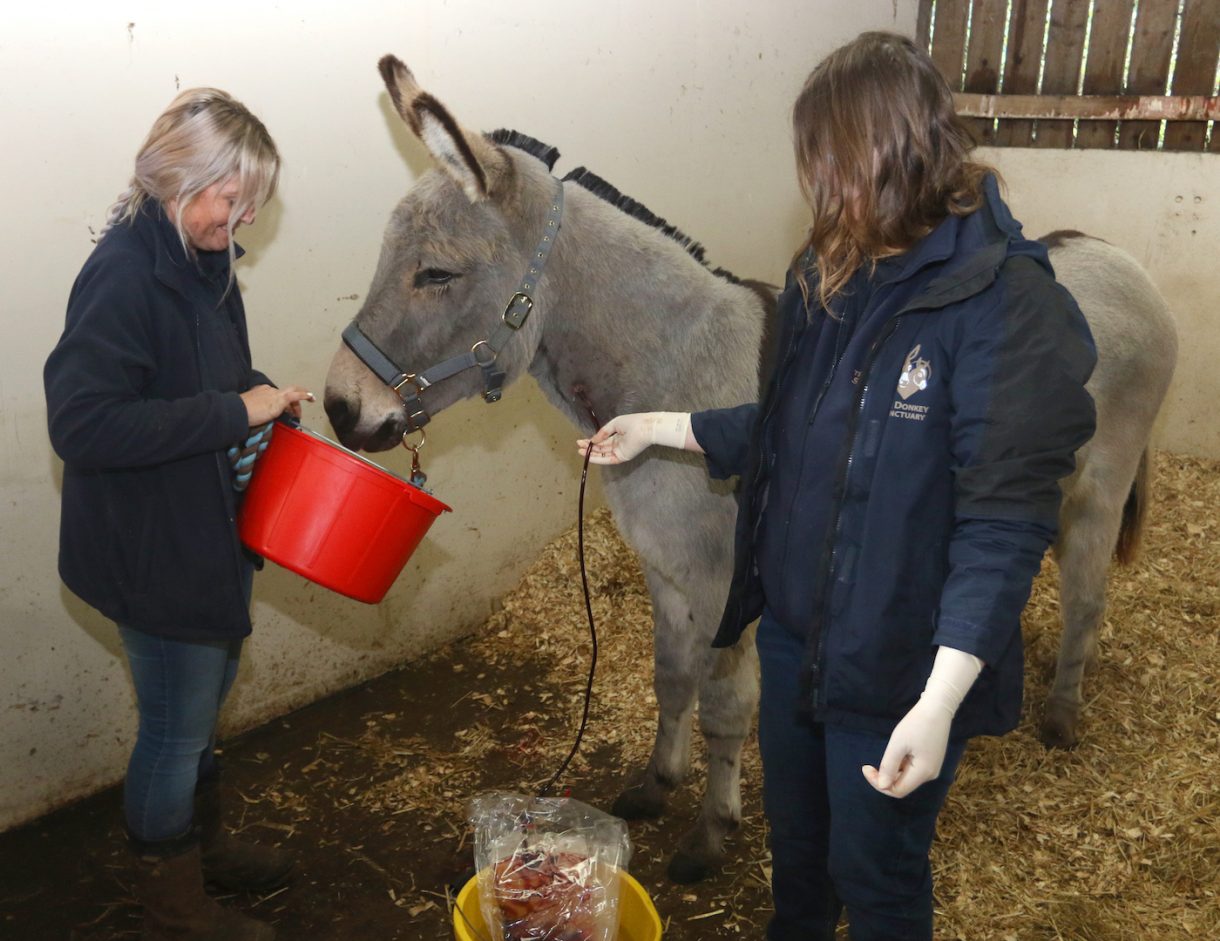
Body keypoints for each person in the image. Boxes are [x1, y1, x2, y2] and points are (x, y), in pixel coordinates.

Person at [578, 31, 1097, 941]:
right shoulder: (832, 270)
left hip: (898, 662)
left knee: (878, 871)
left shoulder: (1009, 307)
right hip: (794, 634)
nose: (817, 188)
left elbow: (1003, 525)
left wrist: (938, 703)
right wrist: (662, 427)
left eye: (829, 163)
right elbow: (791, 429)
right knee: (801, 853)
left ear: (890, 152)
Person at [45, 87, 313, 941]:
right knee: (172, 729)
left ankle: (202, 847)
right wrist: (236, 413)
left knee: (205, 706)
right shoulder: (122, 274)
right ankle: (173, 904)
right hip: (151, 545)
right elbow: (81, 420)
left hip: (205, 525)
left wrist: (262, 397)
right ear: (176, 176)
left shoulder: (206, 261)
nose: (240, 220)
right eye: (230, 198)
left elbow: (210, 374)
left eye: (253, 204)